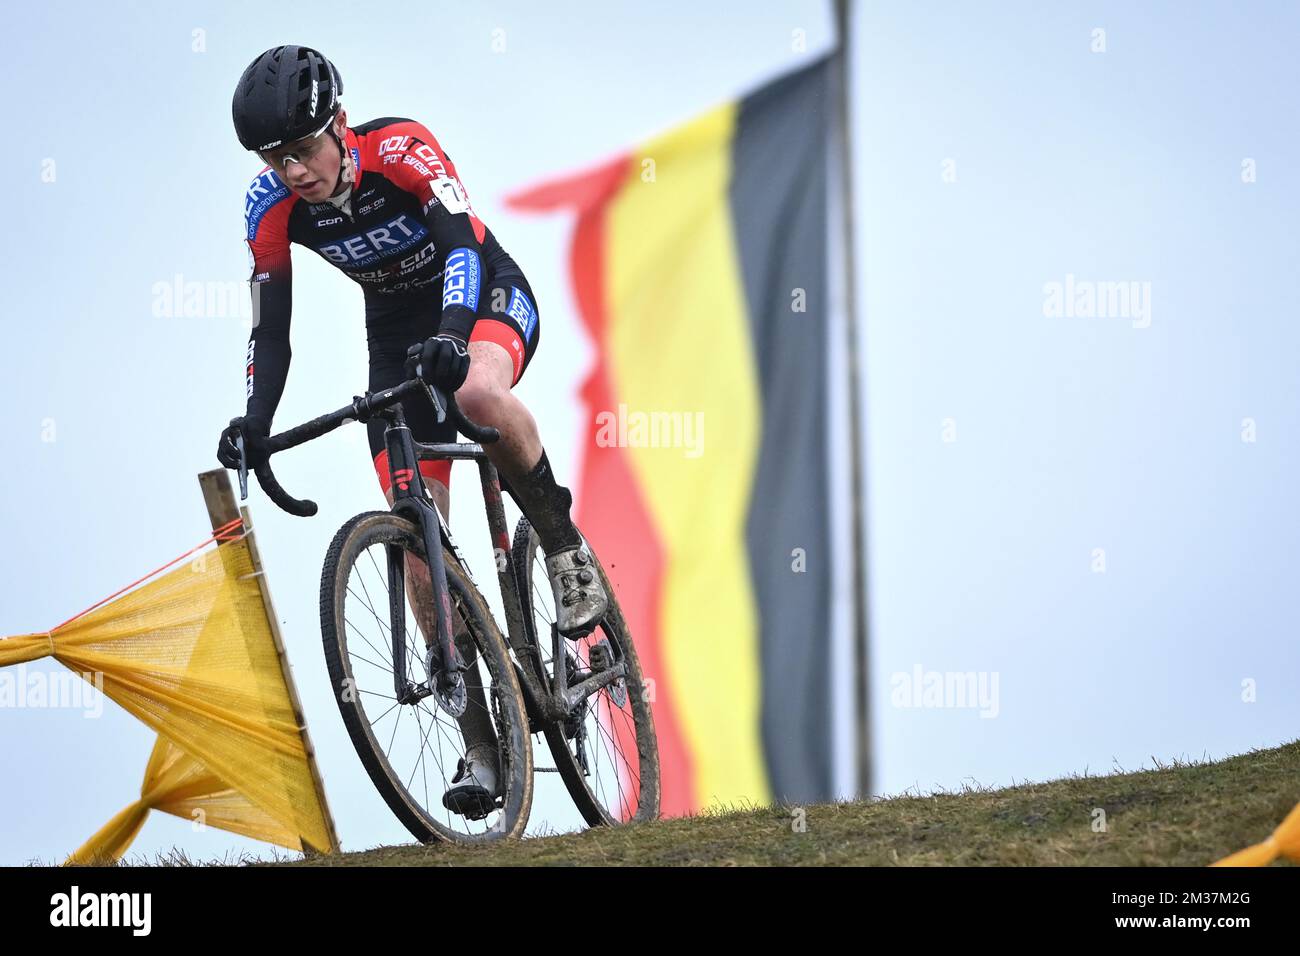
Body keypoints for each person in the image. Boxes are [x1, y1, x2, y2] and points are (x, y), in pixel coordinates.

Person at [216, 45, 605, 816]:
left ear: (339, 124)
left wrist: (458, 333)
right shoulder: (270, 208)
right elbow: (272, 331)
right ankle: (485, 746)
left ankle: (563, 549)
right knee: (413, 545)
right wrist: (256, 424)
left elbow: (461, 240)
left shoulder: (400, 149)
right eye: (274, 158)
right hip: (396, 335)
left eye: (301, 150)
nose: (292, 171)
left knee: (479, 395)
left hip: (482, 293)